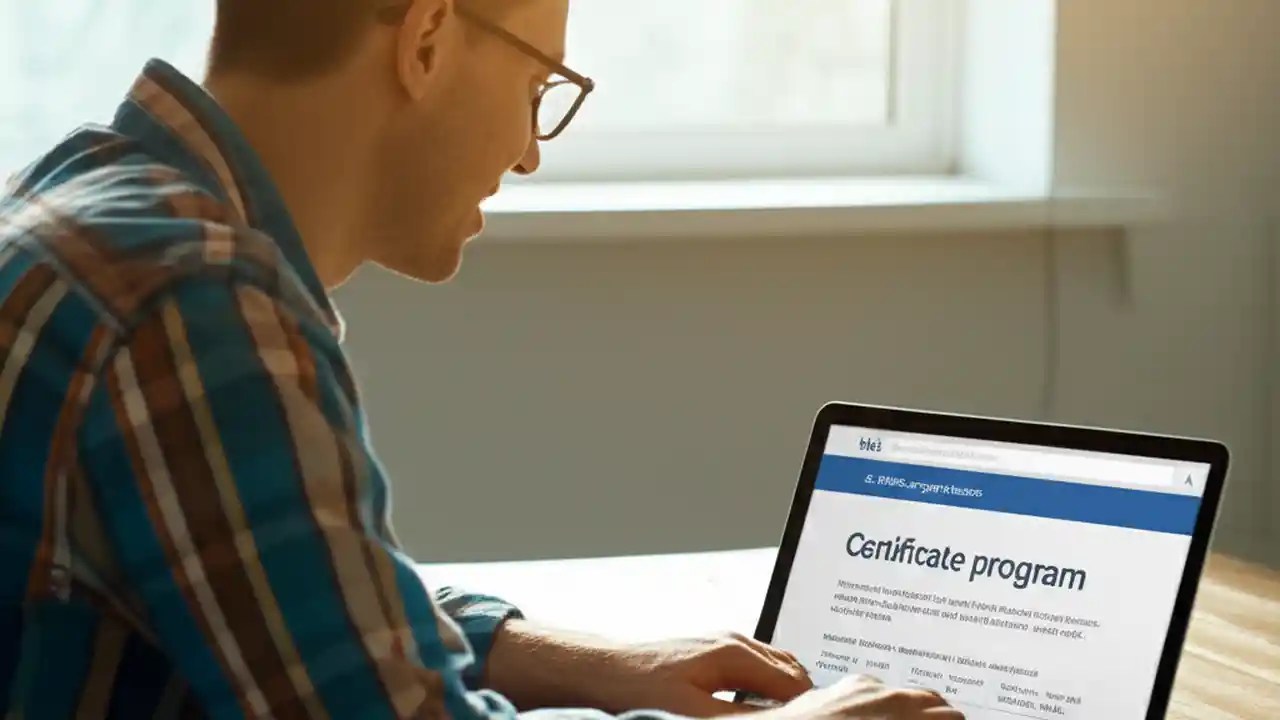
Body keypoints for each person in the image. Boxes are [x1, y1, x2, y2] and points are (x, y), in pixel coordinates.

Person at [0, 1, 963, 718]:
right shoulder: (196, 305)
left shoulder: (88, 207)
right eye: (540, 84)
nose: (530, 154)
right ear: (424, 39)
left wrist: (569, 658)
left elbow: (310, 599)